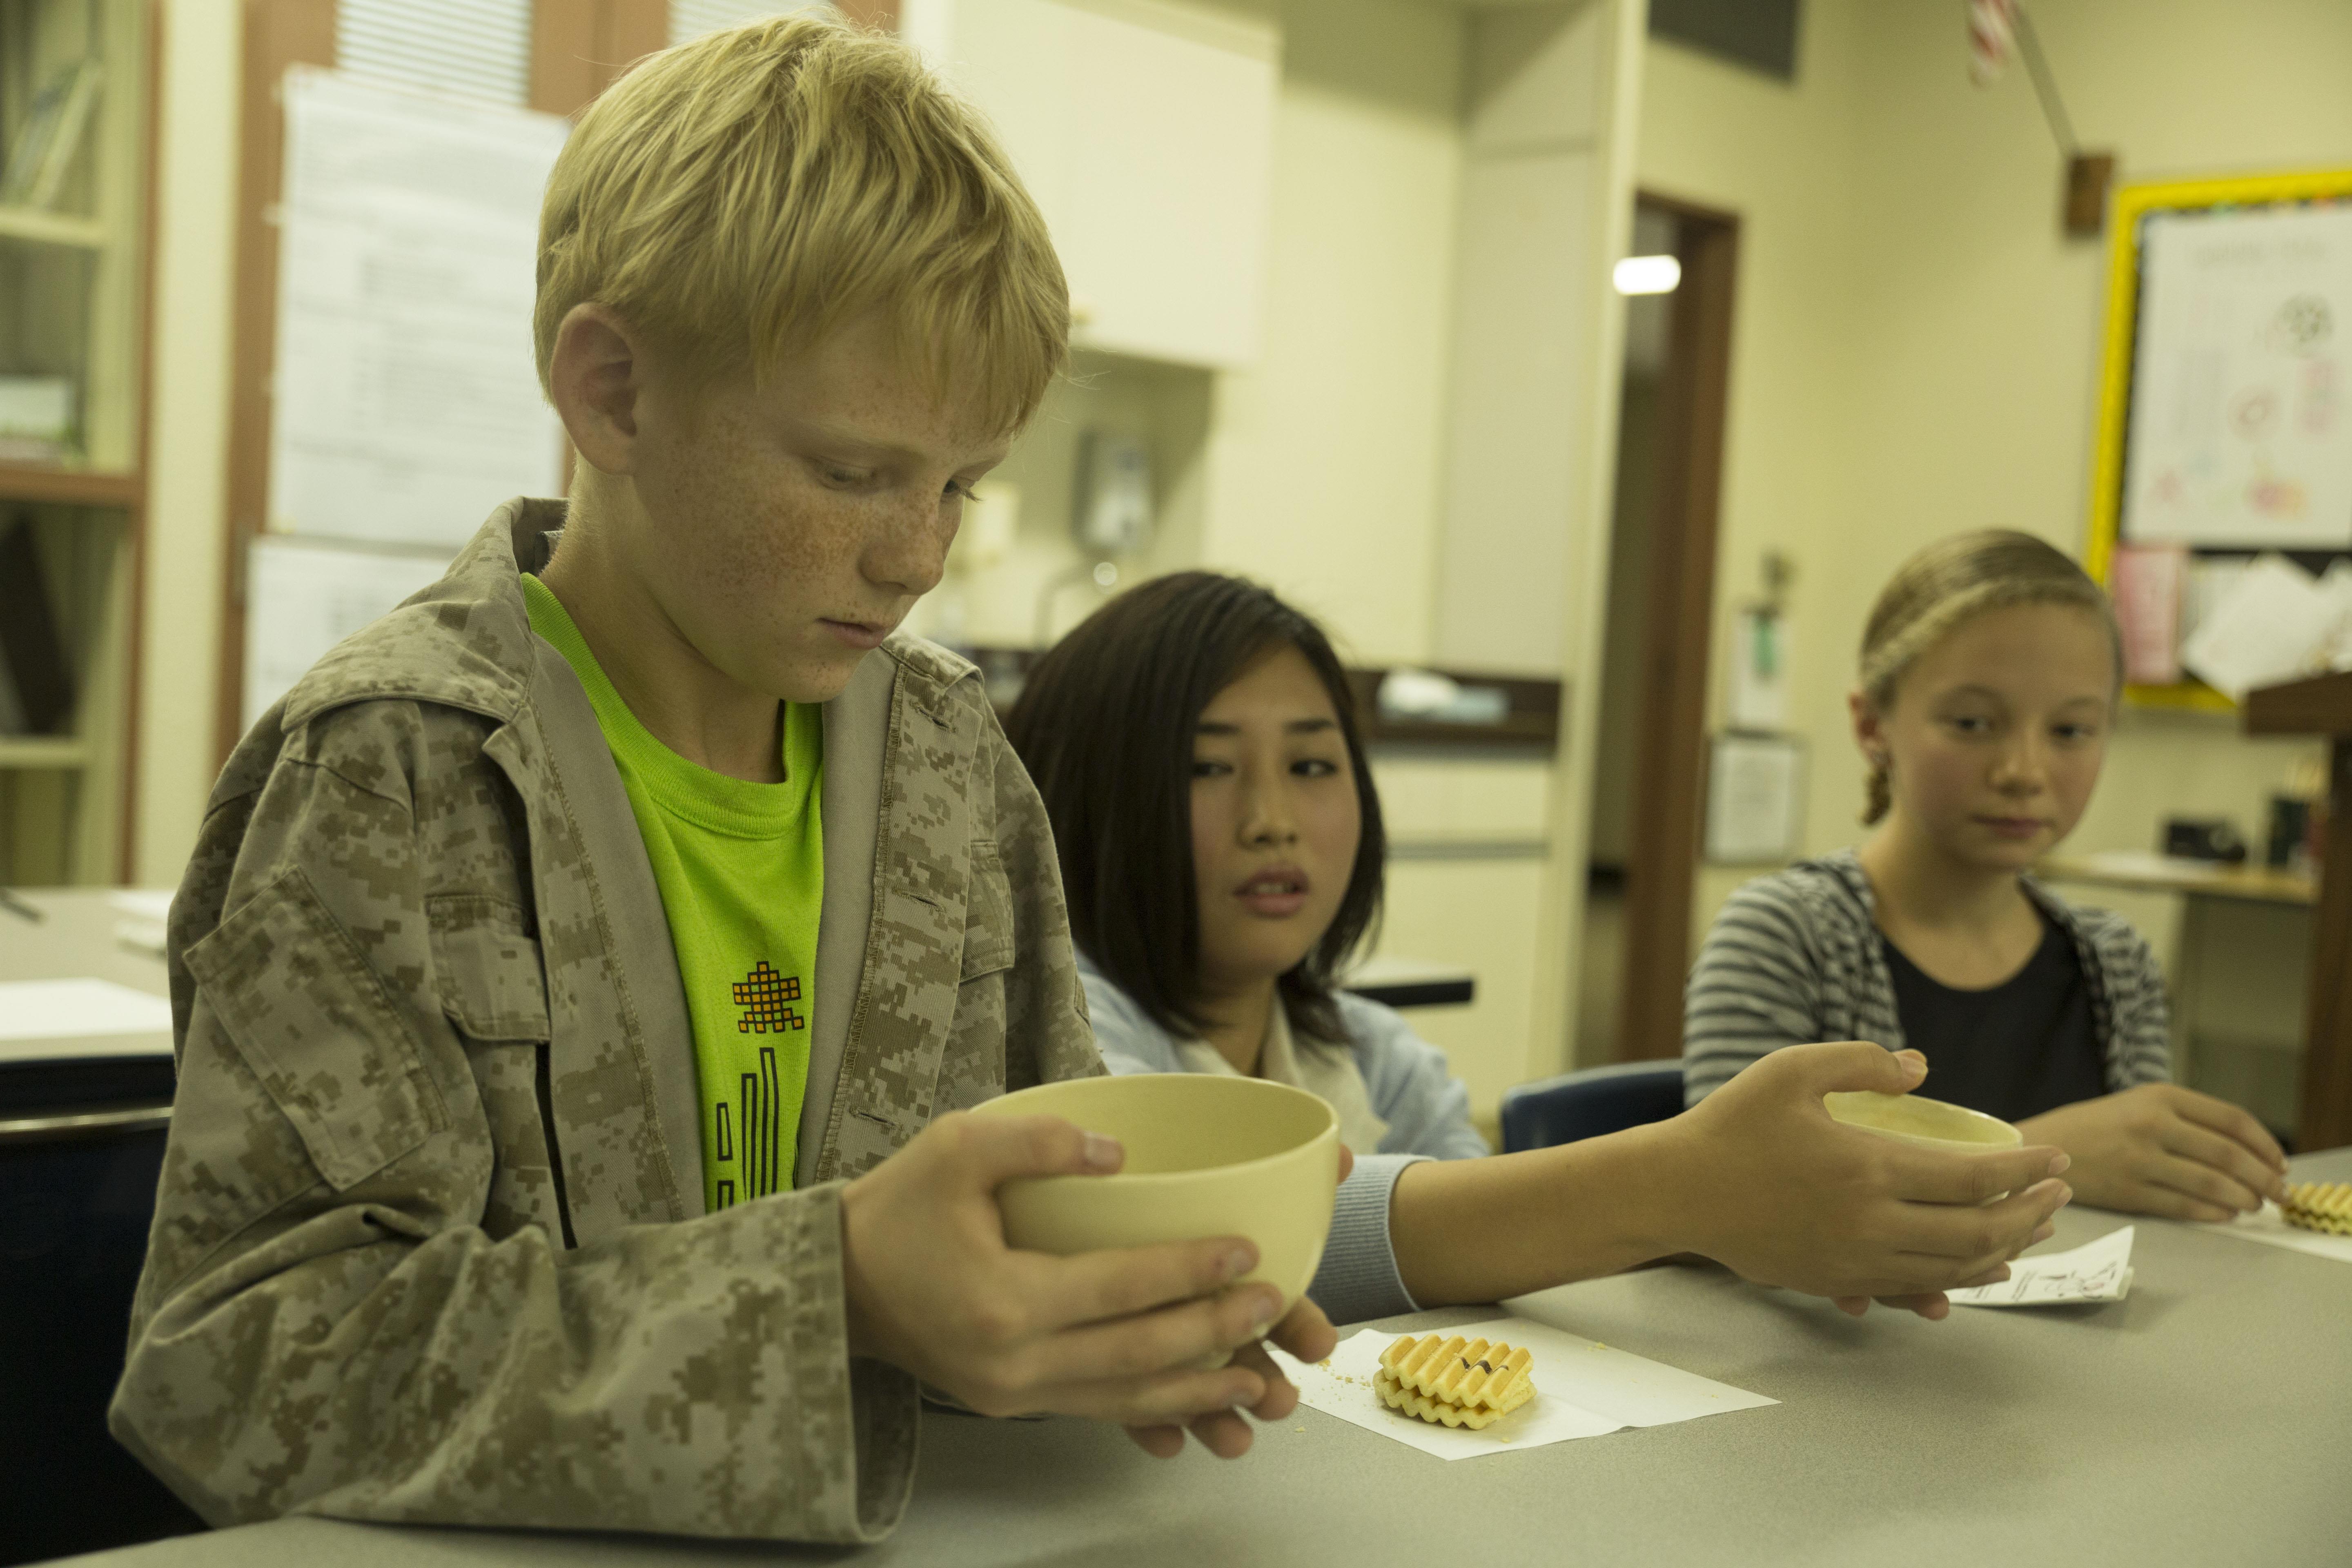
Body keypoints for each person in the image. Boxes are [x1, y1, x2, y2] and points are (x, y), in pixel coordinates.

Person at [110, 18, 1334, 1546]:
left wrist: (1108, 1313)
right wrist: (836, 1297)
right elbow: (235, 1370)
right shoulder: (390, 776)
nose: (919, 556)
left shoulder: (956, 776)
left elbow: (1011, 1229)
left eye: (961, 485)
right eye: (852, 473)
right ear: (613, 394)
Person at [1004, 572, 2076, 1327]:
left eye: (1316, 767)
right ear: (1086, 796)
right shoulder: (1063, 1030)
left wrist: (1758, 1216)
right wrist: (1685, 1188)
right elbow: (1215, 1243)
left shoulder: (1377, 1057)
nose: (1273, 820)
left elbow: (1486, 1251)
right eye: (1207, 769)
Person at [1684, 530, 2289, 1223]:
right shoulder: (1785, 934)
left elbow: (2140, 1219)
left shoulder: (2116, 964)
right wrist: (2044, 1153)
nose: (2024, 772)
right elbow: (1732, 1199)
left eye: (2071, 731)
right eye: (1973, 723)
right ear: (1872, 724)